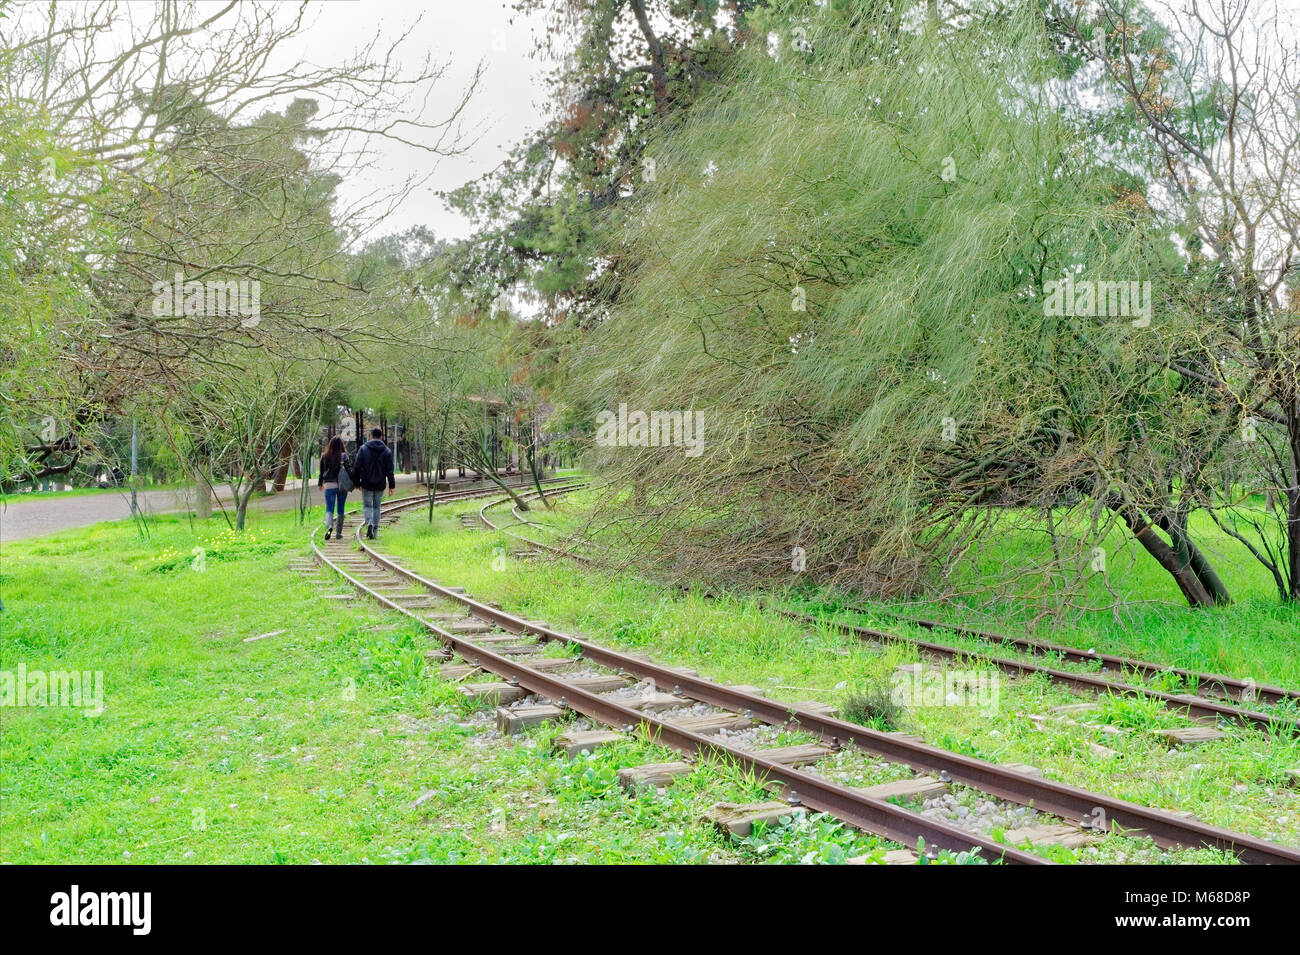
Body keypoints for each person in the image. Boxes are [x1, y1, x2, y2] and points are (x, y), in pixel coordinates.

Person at [353, 427, 395, 540]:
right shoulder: (387, 451)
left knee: (367, 506)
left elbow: (357, 467)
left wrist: (357, 482)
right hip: (380, 484)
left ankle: (369, 522)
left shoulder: (363, 449)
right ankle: (375, 533)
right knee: (377, 507)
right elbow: (390, 471)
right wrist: (392, 486)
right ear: (381, 436)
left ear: (371, 436)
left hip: (366, 483)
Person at [317, 435, 353, 540]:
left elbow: (322, 472)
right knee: (340, 509)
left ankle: (329, 526)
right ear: (341, 445)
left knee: (329, 508)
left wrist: (320, 484)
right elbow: (348, 470)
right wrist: (354, 482)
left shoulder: (324, 456)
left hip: (329, 485)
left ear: (330, 445)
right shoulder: (344, 456)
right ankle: (338, 533)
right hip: (341, 485)